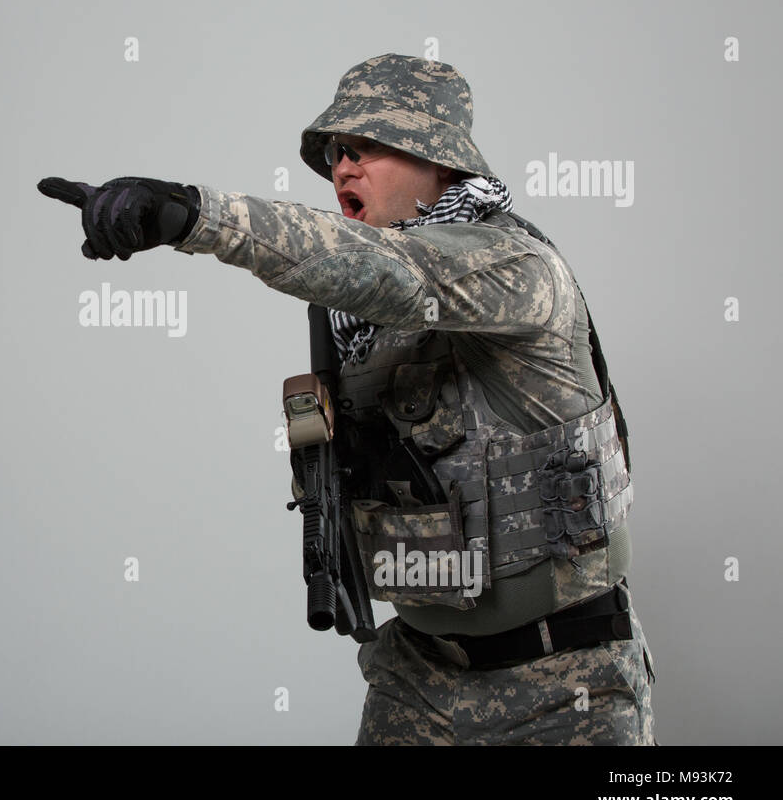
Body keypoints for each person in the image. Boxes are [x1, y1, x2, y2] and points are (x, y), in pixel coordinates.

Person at [38, 52, 656, 745]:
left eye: (371, 148)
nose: (342, 168)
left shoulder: (514, 267)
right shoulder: (355, 326)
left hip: (562, 686)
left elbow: (390, 270)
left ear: (443, 167)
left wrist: (190, 215)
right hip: (417, 681)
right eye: (337, 152)